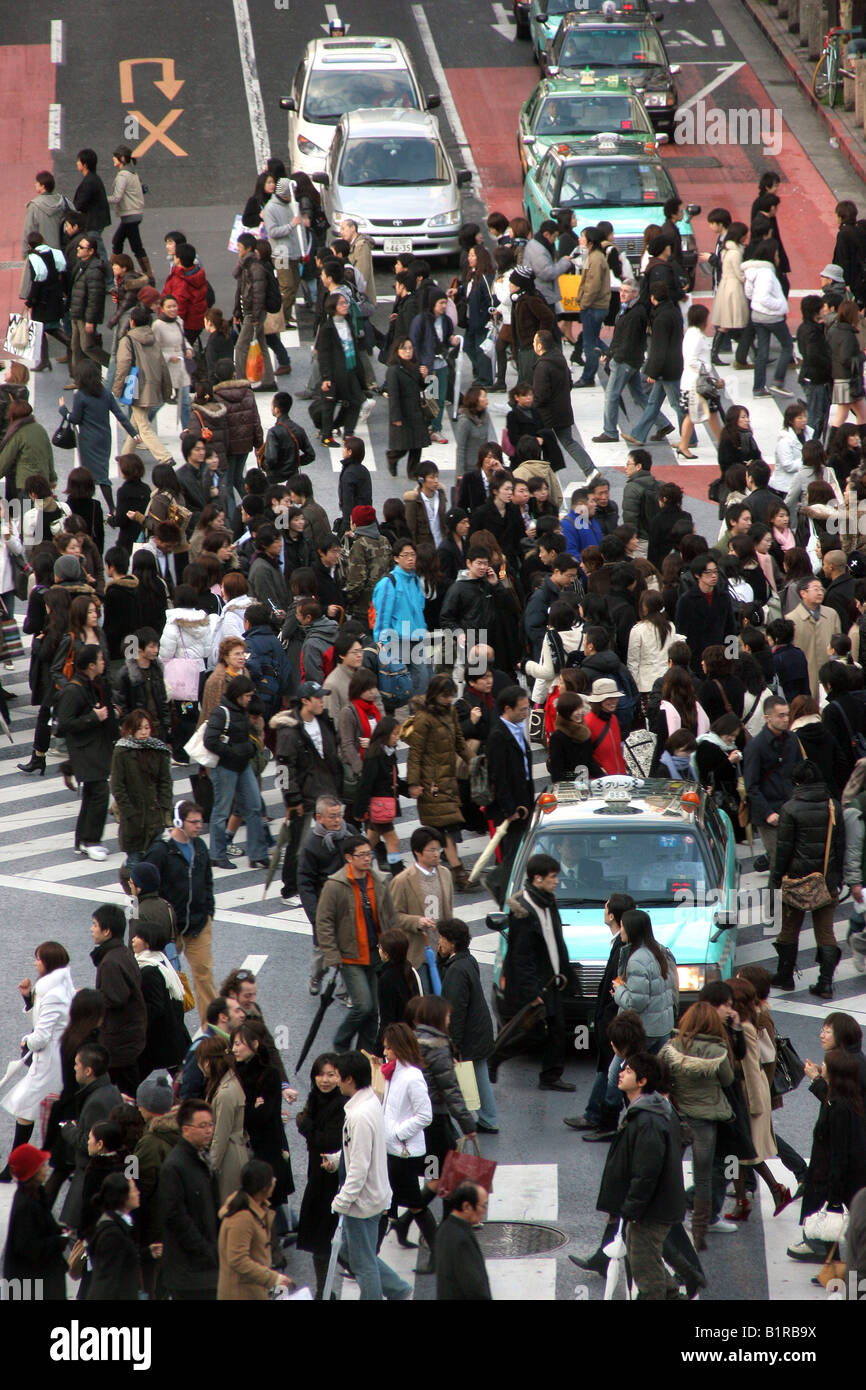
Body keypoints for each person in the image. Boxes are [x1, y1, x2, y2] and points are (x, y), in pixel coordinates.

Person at [595, 1051, 688, 1300]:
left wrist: (632, 1208)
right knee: (648, 1261)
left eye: (628, 1070)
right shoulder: (647, 1109)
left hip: (651, 1209)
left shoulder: (647, 1118)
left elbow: (647, 1172)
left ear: (642, 1081)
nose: (621, 1072)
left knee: (645, 1270)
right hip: (653, 1205)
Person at [321, 1051, 412, 1301]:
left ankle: (394, 1292)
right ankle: (399, 1290)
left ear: (349, 1079)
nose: (336, 1081)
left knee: (363, 1265)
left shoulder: (359, 1116)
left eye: (338, 1076)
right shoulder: (369, 1103)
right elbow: (360, 1150)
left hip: (361, 1202)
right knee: (355, 1253)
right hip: (374, 1195)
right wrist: (339, 1158)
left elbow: (359, 1168)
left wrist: (341, 1201)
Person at [499, 853, 577, 1091]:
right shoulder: (523, 911)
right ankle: (495, 1057)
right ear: (537, 878)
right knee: (531, 1033)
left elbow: (556, 941)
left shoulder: (548, 901)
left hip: (553, 980)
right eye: (552, 877)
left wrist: (567, 973)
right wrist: (532, 991)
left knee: (557, 1029)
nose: (556, 881)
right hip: (538, 984)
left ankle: (551, 1076)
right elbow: (522, 957)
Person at [316, 836, 398, 1052]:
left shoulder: (378, 881)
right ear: (348, 857)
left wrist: (394, 945)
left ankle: (364, 1053)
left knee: (374, 1011)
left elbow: (390, 915)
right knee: (363, 1005)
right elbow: (324, 922)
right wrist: (332, 955)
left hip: (377, 954)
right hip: (350, 955)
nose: (367, 859)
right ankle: (341, 1041)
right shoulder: (335, 885)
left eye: (368, 854)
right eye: (361, 855)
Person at [0, 942, 75, 1177]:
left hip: (49, 1062)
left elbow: (41, 1036)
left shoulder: (52, 995)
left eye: (39, 959)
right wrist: (28, 999)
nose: (35, 963)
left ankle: (17, 1166)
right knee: (39, 1110)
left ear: (49, 963)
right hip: (54, 1059)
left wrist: (26, 1041)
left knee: (27, 1109)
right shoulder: (56, 989)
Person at [771, 758, 844, 996]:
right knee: (825, 931)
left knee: (789, 929)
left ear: (796, 782)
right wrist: (837, 877)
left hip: (796, 880)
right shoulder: (833, 805)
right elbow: (840, 845)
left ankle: (785, 976)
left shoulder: (790, 809)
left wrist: (774, 881)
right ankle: (825, 982)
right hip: (826, 880)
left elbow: (783, 850)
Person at [145, 800, 217, 1021]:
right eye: (193, 822)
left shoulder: (200, 846)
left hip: (197, 923)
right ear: (179, 821)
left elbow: (207, 880)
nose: (199, 827)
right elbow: (148, 884)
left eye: (200, 822)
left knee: (204, 976)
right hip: (170, 927)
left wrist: (208, 911)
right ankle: (170, 1024)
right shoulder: (161, 850)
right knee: (169, 979)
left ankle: (213, 1030)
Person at [407, 676, 477, 892]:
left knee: (445, 830)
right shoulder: (424, 718)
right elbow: (415, 753)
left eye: (451, 695)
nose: (449, 699)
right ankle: (457, 874)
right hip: (432, 782)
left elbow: (458, 740)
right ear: (435, 694)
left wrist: (474, 763)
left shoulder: (451, 712)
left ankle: (446, 874)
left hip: (448, 778)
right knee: (446, 829)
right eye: (445, 695)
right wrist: (413, 783)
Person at [55, 645, 118, 861]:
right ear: (91, 665)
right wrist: (94, 716)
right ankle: (91, 840)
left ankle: (83, 840)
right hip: (85, 749)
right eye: (100, 660)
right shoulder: (73, 690)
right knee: (99, 792)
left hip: (95, 746)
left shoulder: (91, 684)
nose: (103, 663)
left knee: (93, 794)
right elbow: (63, 724)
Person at [203, 673, 270, 871]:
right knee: (221, 811)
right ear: (238, 694)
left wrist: (248, 748)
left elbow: (245, 734)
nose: (250, 699)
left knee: (255, 806)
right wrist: (234, 751)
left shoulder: (242, 710)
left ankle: (258, 853)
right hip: (225, 767)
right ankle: (217, 854)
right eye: (247, 695)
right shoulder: (221, 712)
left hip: (242, 765)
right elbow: (210, 740)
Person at [380, 1022, 435, 1259]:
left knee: (409, 1203)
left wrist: (397, 1133)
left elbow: (425, 1115)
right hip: (392, 1148)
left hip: (404, 1152)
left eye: (388, 1048)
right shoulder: (392, 1072)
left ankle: (438, 1250)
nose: (385, 1052)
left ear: (399, 1048)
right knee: (392, 1202)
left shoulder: (412, 1077)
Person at [438, 918, 498, 1133]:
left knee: (449, 1082)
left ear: (452, 942)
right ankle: (489, 1118)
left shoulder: (456, 971)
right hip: (479, 1029)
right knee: (480, 1074)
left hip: (469, 1033)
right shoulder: (467, 960)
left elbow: (455, 1011)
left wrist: (453, 1044)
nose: (439, 943)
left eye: (442, 939)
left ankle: (453, 1124)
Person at [295, 1053, 346, 1299]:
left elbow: (328, 1140)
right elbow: (303, 1120)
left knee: (331, 1238)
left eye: (330, 1074)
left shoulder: (342, 1104)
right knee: (319, 1240)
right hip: (317, 1175)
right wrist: (308, 1127)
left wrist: (307, 1128)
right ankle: (323, 1290)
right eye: (320, 1074)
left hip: (334, 1178)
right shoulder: (315, 1098)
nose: (324, 1080)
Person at [158, 1098, 220, 1300]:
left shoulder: (202, 1158)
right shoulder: (175, 1166)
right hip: (189, 1271)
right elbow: (174, 1215)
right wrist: (205, 1250)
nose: (209, 1130)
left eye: (211, 1125)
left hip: (206, 1267)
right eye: (202, 1126)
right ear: (185, 1129)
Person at [59, 1043, 123, 1233]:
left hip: (88, 1176)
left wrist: (68, 1129)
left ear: (88, 1071)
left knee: (80, 1235)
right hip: (94, 1175)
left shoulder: (97, 1102)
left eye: (77, 1064)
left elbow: (91, 1143)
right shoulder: (108, 1091)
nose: (74, 1067)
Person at [231, 1021, 294, 1209]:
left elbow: (262, 1116)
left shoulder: (270, 1074)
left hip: (268, 1149)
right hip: (248, 1147)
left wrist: (246, 1109)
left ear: (255, 1044)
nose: (234, 1049)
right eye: (233, 1044)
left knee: (267, 1204)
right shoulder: (235, 1071)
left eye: (239, 1044)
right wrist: (253, 1105)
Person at [88, 903, 147, 1095]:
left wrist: (90, 998)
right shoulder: (123, 953)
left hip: (118, 1040)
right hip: (129, 1035)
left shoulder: (110, 962)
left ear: (107, 932)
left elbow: (115, 998)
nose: (91, 929)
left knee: (125, 1091)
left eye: (95, 925)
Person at [216, 1158, 294, 1301]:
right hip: (240, 1293)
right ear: (264, 1187)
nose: (275, 1181)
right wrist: (272, 1278)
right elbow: (238, 1260)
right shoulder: (242, 1218)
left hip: (253, 1290)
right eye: (272, 1179)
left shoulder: (256, 1207)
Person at [2, 1143, 69, 1301]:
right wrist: (59, 1241)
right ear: (32, 1172)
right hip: (33, 1284)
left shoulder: (35, 1195)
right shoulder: (26, 1205)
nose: (46, 1169)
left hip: (36, 1281)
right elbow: (28, 1247)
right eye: (42, 1166)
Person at [297, 796, 355, 979]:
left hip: (351, 904)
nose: (338, 820)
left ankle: (347, 991)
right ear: (319, 817)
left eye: (339, 815)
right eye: (332, 816)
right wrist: (315, 915)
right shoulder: (311, 844)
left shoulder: (350, 833)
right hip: (325, 907)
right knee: (323, 952)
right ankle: (317, 976)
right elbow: (305, 881)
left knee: (352, 950)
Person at [621, 285, 685, 446]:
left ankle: (688, 438)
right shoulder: (674, 313)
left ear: (652, 298)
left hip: (666, 370)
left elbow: (659, 349)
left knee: (677, 404)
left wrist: (653, 372)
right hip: (672, 365)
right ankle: (638, 435)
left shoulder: (661, 319)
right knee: (653, 403)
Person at [113, 303, 175, 464]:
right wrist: (166, 391)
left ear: (132, 322)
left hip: (136, 388)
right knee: (136, 421)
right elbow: (163, 365)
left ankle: (165, 456)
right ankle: (126, 455)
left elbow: (123, 365)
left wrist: (117, 389)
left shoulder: (127, 340)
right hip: (153, 387)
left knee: (143, 426)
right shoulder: (153, 340)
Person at [110, 709, 172, 866]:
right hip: (134, 819)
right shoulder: (122, 751)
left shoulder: (158, 749)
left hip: (155, 816)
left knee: (156, 862)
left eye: (146, 728)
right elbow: (117, 785)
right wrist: (129, 813)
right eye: (139, 728)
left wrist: (164, 807)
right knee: (135, 864)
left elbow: (165, 781)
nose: (144, 732)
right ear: (131, 729)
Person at [390, 827, 455, 979]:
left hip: (443, 949)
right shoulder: (402, 881)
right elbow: (393, 915)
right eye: (432, 850)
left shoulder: (445, 874)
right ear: (418, 852)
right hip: (417, 952)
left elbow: (448, 911)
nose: (436, 854)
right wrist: (416, 921)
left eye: (439, 849)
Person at [197, 1036, 250, 1205]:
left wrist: (209, 1170)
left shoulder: (225, 1092)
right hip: (230, 1153)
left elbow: (220, 1135)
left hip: (228, 1159)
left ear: (207, 1062)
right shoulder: (226, 1082)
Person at [674, 553, 737, 671]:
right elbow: (681, 633)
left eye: (715, 572)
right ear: (697, 575)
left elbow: (731, 629)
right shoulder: (686, 600)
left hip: (720, 657)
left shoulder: (724, 597)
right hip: (696, 659)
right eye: (708, 573)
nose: (713, 576)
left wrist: (732, 657)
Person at [86, 1171, 142, 1301]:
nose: (138, 1193)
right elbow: (106, 1280)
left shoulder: (119, 1226)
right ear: (123, 1196)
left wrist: (147, 1252)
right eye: (133, 1190)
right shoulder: (112, 1234)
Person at [434, 1180, 492, 1301]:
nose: (485, 1211)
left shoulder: (445, 1229)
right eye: (483, 1206)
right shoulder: (461, 1240)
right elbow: (474, 1286)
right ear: (466, 1207)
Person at [233, 233, 275, 390]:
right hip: (251, 312)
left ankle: (241, 383)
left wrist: (255, 315)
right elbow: (239, 283)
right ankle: (269, 380)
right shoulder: (247, 265)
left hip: (253, 313)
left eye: (240, 247)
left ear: (248, 248)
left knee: (240, 347)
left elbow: (258, 293)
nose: (237, 250)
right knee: (261, 344)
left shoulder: (255, 267)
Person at [385, 336, 429, 477]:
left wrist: (424, 377)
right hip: (403, 412)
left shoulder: (415, 366)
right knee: (402, 446)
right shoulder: (393, 370)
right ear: (397, 350)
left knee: (417, 444)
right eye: (404, 348)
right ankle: (392, 458)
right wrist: (396, 417)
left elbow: (421, 387)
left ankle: (413, 471)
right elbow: (394, 396)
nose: (408, 351)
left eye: (410, 348)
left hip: (416, 411)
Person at [546, 691, 603, 783]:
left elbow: (589, 760)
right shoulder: (558, 737)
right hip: (568, 787)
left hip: (584, 783)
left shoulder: (584, 731)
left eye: (580, 708)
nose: (579, 712)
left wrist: (604, 778)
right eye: (574, 710)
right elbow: (557, 770)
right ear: (565, 713)